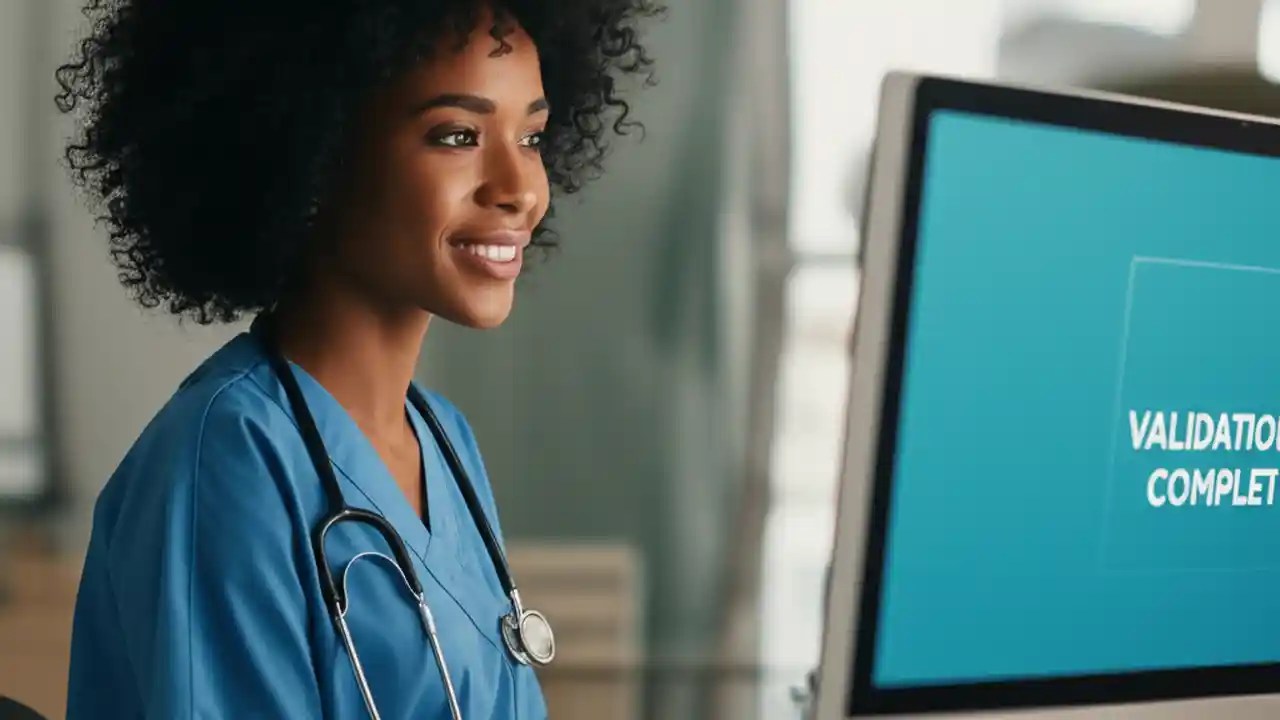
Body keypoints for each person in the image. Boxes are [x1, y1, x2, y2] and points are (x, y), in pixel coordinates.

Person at [55, 1, 661, 717]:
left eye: (530, 137)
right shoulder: (226, 460)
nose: (520, 190)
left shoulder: (444, 440)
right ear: (314, 155)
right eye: (457, 136)